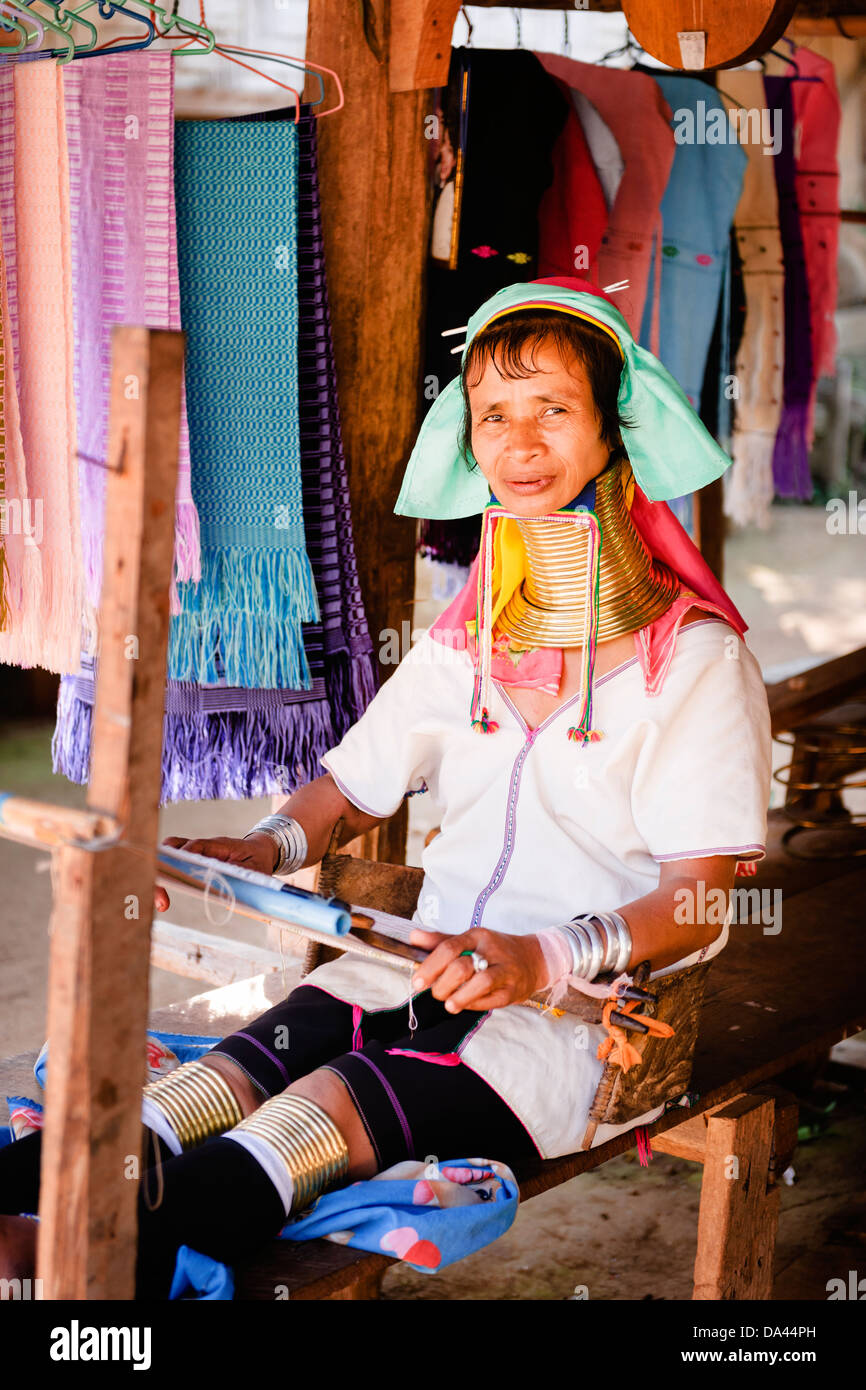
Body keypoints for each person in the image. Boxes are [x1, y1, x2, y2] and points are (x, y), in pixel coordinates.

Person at [0, 277, 772, 1298]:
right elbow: (351, 787)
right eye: (493, 415)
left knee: (310, 1111)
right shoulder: (466, 641)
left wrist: (540, 953)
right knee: (208, 1085)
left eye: (552, 408)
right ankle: (29, 1216)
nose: (519, 442)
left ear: (612, 428)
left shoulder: (696, 663)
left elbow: (702, 892)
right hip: (407, 969)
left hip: (572, 1023)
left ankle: (73, 1274)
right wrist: (265, 845)